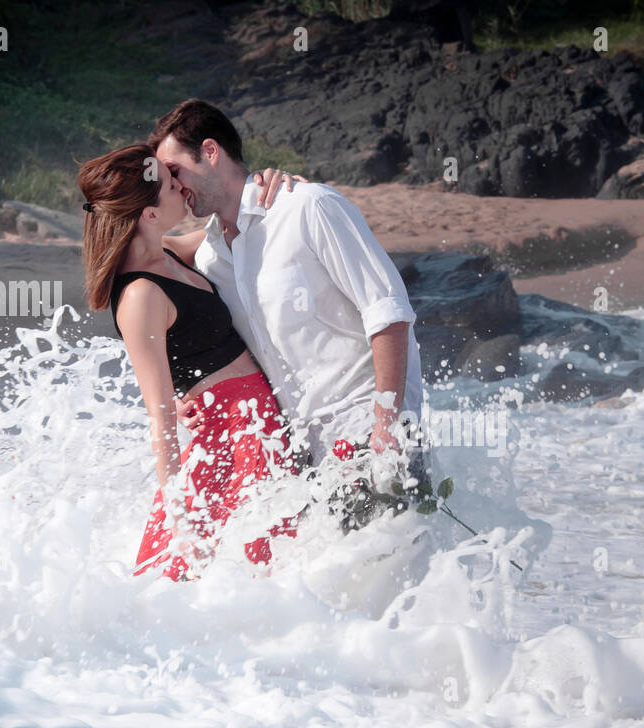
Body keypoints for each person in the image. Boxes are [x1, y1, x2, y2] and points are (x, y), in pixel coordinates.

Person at [146, 100, 429, 530]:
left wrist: (386, 430)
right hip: (303, 461)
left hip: (367, 432)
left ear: (210, 151)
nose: (172, 184)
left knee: (395, 581)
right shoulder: (212, 256)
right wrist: (181, 394)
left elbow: (388, 312)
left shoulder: (306, 207)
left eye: (175, 170)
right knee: (338, 591)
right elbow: (149, 261)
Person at [78, 144, 304, 581]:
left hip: (255, 429)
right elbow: (160, 419)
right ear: (147, 214)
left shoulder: (171, 253)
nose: (182, 188)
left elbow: (238, 220)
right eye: (169, 185)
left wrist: (267, 184)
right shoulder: (140, 296)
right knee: (223, 578)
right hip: (232, 445)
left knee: (267, 573)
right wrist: (180, 515)